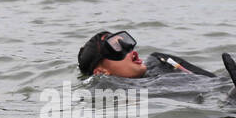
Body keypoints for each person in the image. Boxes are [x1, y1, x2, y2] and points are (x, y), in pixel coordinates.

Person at [77, 30, 215, 79]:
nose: (132, 52)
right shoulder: (122, 93)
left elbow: (216, 81)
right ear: (101, 72)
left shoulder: (161, 61)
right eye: (116, 49)